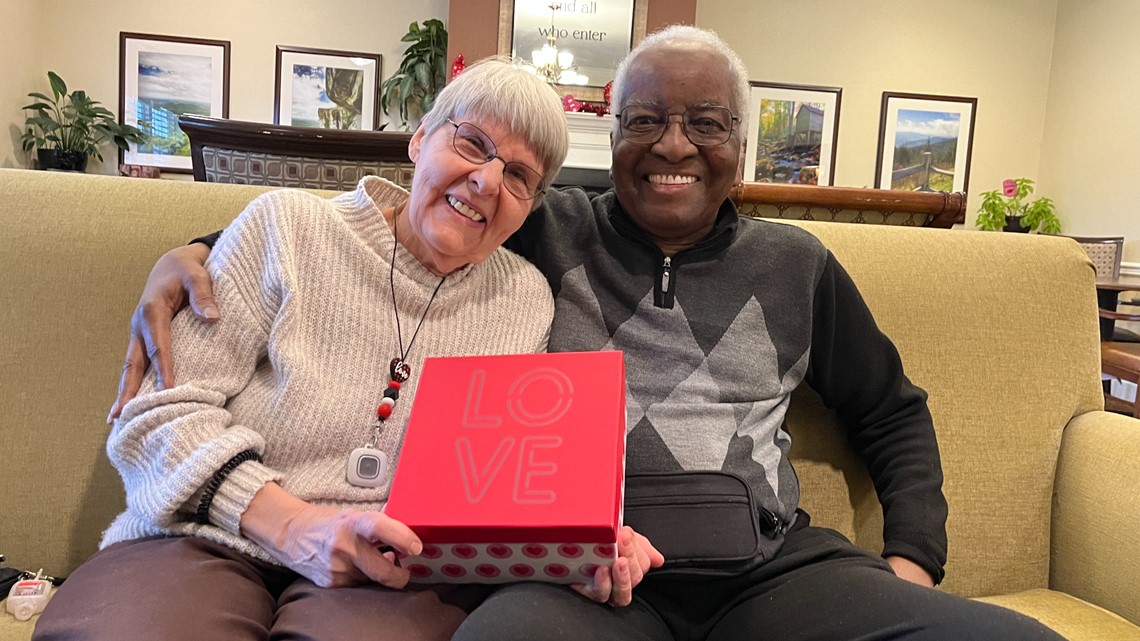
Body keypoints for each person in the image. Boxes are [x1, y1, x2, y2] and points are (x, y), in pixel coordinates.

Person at [108, 27, 1064, 641]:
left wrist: (912, 563)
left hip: (769, 564)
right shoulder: (541, 225)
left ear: (741, 142)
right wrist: (199, 249)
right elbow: (403, 224)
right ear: (615, 133)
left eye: (706, 122)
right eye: (647, 119)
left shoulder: (797, 263)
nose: (675, 145)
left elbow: (892, 413)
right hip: (584, 572)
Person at [35, 57, 660, 641]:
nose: (487, 179)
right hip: (203, 535)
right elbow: (155, 418)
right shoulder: (287, 228)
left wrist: (577, 550)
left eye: (519, 176)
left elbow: (500, 483)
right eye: (472, 143)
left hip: (389, 566)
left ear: (532, 207)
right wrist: (290, 523)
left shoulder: (523, 301)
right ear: (420, 140)